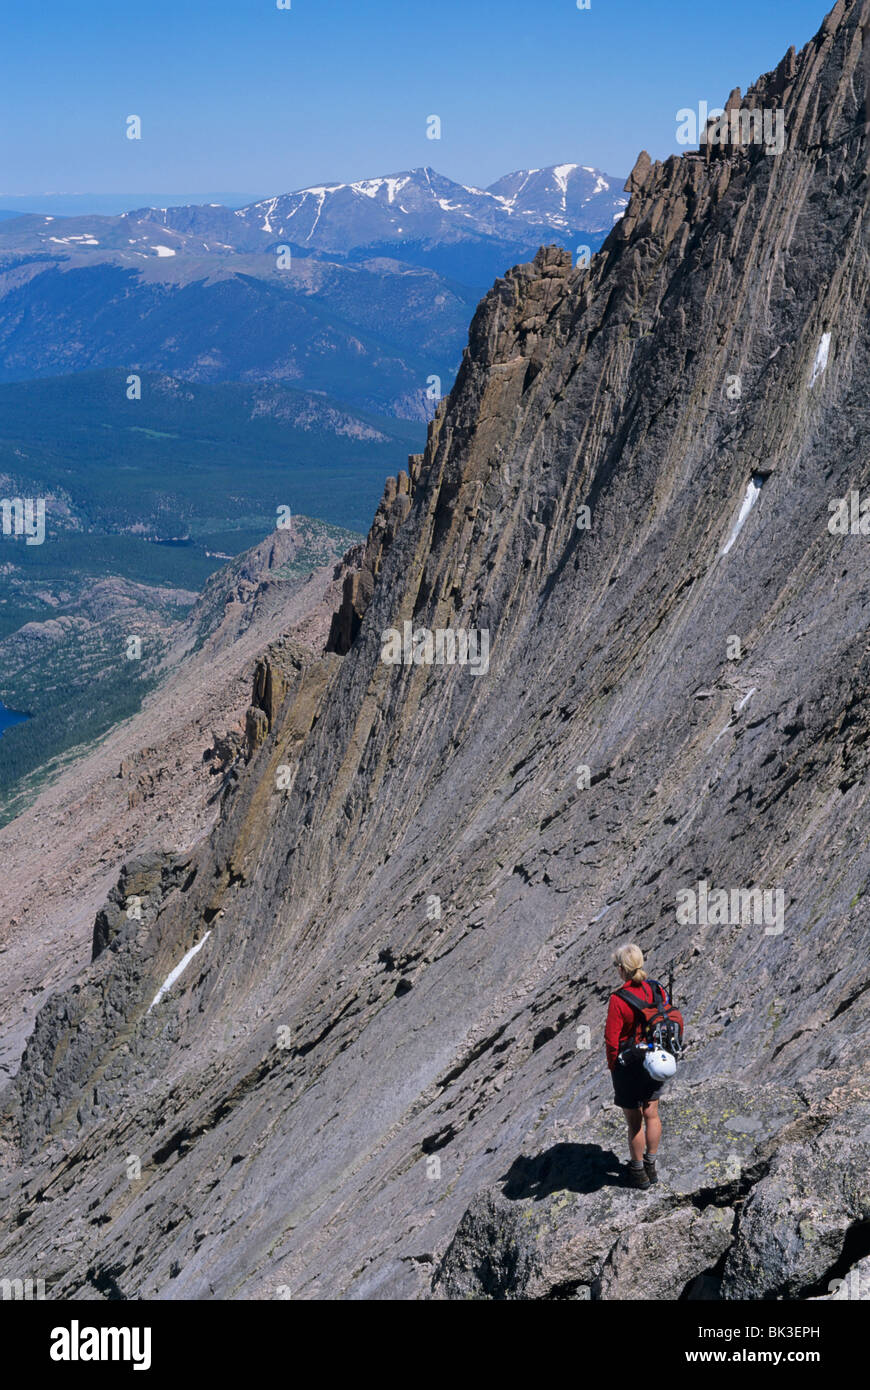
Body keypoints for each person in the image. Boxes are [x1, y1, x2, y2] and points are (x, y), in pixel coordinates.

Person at [604, 943, 668, 1189]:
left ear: (621, 969)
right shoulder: (655, 989)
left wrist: (614, 1067)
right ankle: (651, 1165)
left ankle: (638, 1172)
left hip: (629, 1066)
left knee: (634, 1122)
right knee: (652, 1114)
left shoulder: (618, 999)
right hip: (654, 1061)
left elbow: (612, 1039)